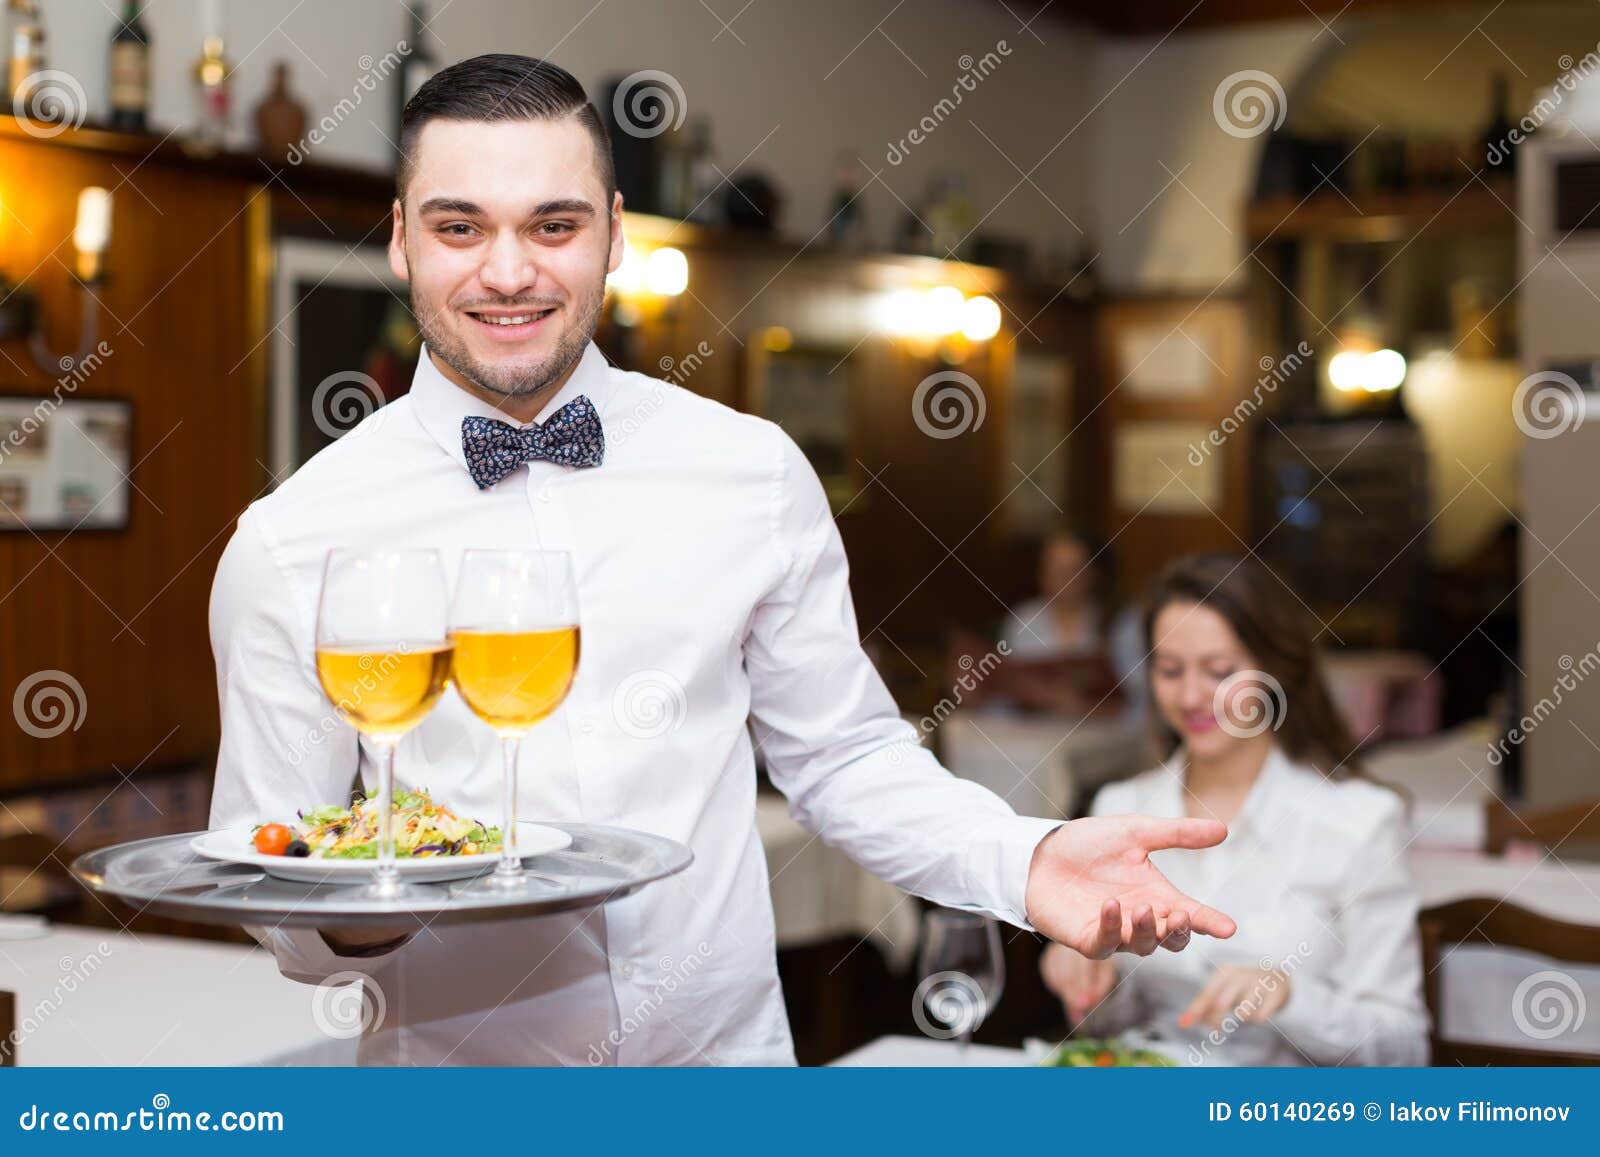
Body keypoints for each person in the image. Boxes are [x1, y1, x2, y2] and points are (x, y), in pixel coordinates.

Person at [208, 54, 1234, 1066]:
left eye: (553, 224)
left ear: (613, 231)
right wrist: (374, 905)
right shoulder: (292, 541)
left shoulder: (752, 471)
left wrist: (1028, 857)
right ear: (400, 241)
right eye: (459, 225)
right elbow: (271, 865)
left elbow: (844, 757)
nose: (509, 270)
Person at [1039, 554, 1429, 1065]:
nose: (1192, 696)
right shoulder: (1122, 811)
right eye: (1170, 670)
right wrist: (1092, 984)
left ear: (1276, 672)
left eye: (1220, 671)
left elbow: (1404, 1048)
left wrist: (1289, 998)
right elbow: (1114, 1033)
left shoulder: (1360, 821)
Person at [996, 525, 1145, 715]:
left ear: (1094, 574)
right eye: (1052, 568)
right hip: (1035, 733)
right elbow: (1006, 693)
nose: (1059, 578)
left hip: (1107, 736)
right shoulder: (1023, 619)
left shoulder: (1123, 622)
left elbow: (1140, 697)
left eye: (1071, 569)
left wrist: (1086, 707)